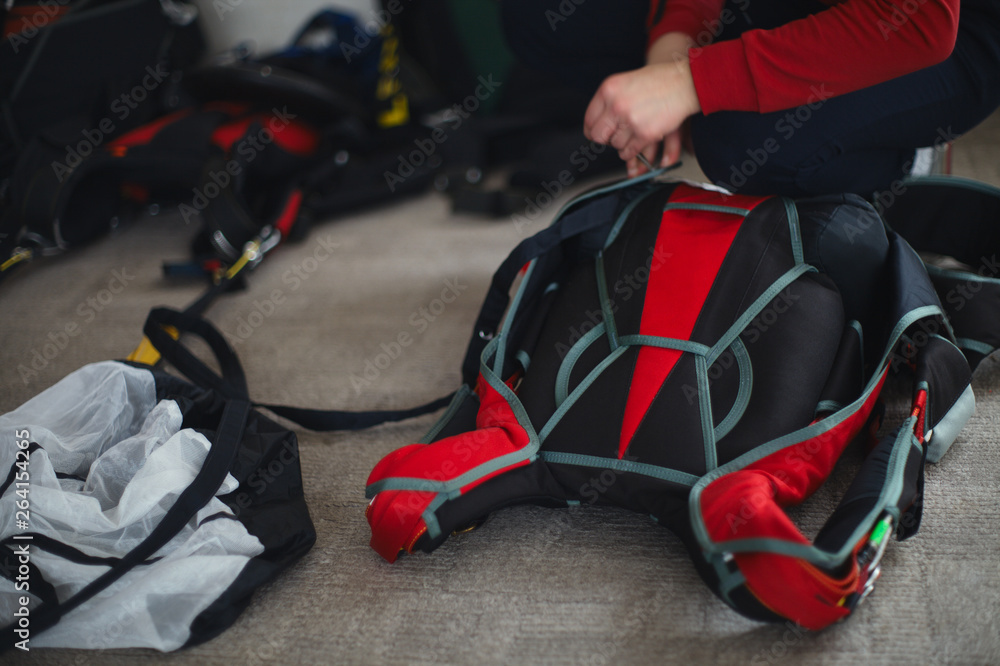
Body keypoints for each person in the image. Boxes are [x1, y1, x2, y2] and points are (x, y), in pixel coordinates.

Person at [501, 0, 1000, 198]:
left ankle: (902, 161)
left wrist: (691, 86)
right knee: (542, 17)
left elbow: (921, 20)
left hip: (945, 34)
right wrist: (670, 55)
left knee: (736, 143)